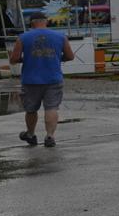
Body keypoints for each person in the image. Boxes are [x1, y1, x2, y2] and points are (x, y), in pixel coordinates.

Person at [8, 13, 74, 147]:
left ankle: (31, 135)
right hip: (53, 78)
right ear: (46, 22)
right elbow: (70, 56)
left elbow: (13, 60)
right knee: (51, 108)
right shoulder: (61, 37)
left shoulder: (23, 37)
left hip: (31, 80)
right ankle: (50, 137)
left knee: (31, 109)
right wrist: (57, 58)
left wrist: (24, 59)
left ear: (31, 23)